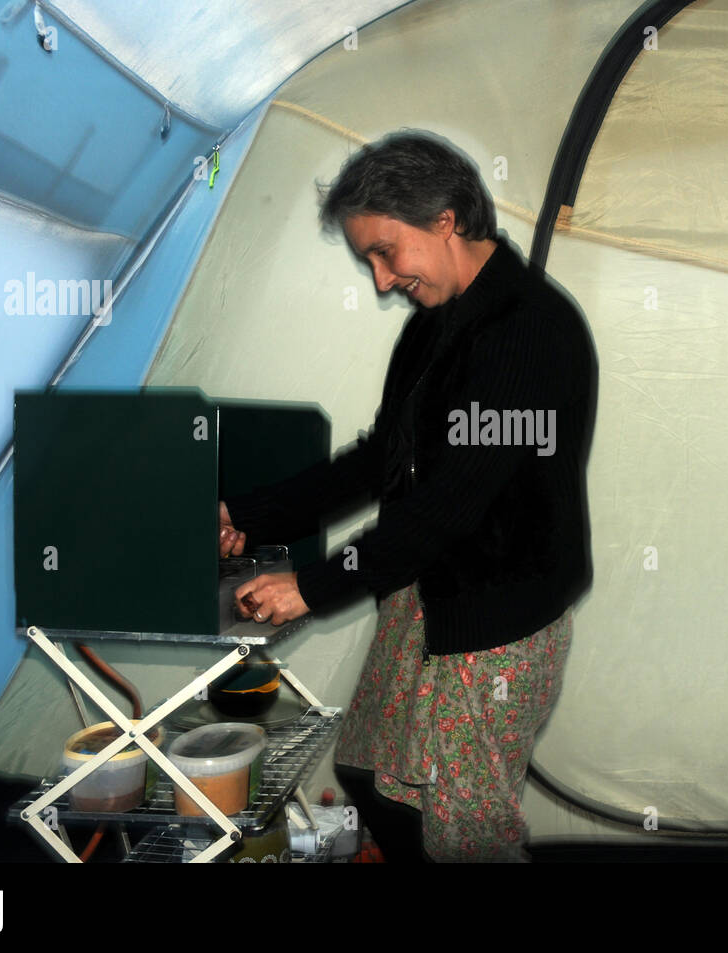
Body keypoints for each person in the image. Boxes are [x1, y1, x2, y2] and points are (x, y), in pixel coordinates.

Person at [217, 129, 596, 862]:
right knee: (372, 770)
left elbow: (454, 503)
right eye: (370, 262)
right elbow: (378, 461)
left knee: (468, 835)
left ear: (446, 220)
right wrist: (248, 513)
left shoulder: (529, 332)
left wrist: (315, 586)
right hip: (427, 594)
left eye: (387, 253)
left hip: (496, 630)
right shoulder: (435, 326)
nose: (384, 280)